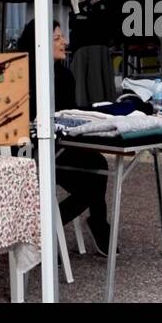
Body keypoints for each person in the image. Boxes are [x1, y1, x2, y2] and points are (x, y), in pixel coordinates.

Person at [17, 19, 112, 256]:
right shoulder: (19, 77)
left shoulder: (65, 76)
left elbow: (65, 118)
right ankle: (46, 233)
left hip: (59, 149)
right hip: (29, 153)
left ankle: (51, 229)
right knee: (92, 180)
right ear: (39, 43)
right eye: (57, 38)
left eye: (62, 37)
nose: (65, 42)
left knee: (98, 167)